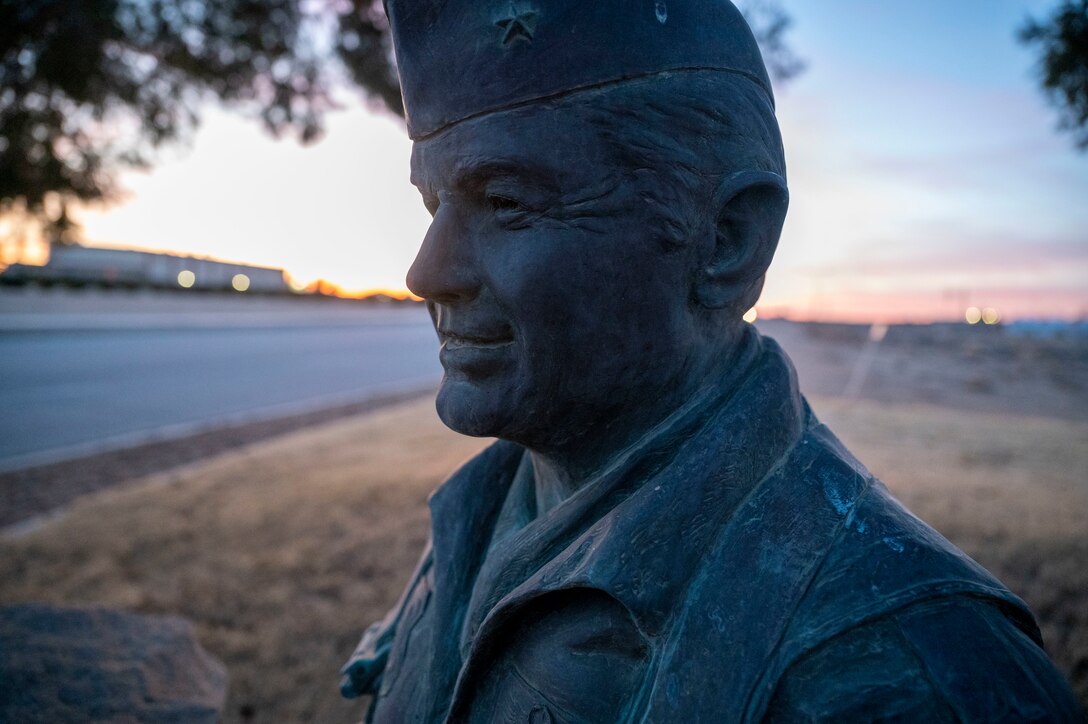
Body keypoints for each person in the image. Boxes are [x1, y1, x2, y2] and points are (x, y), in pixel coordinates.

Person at [341, 1, 1083, 721]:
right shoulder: (489, 508)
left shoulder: (914, 670)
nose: (426, 272)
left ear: (728, 242)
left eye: (507, 202)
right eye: (433, 206)